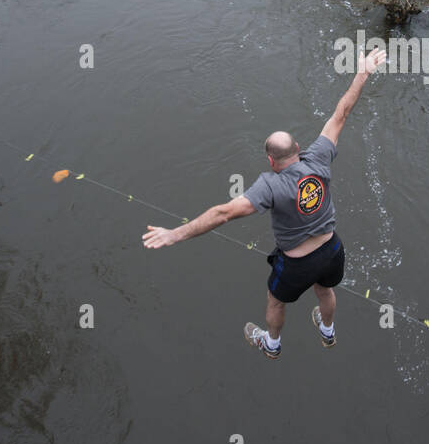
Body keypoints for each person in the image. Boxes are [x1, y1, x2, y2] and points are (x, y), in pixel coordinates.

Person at [142, 49, 388, 359]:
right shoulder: (320, 156)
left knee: (275, 301)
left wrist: (175, 234)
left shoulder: (270, 185)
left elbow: (222, 213)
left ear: (270, 161)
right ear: (298, 148)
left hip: (296, 264)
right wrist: (363, 72)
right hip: (332, 249)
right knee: (325, 290)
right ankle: (328, 331)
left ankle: (271, 344)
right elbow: (342, 112)